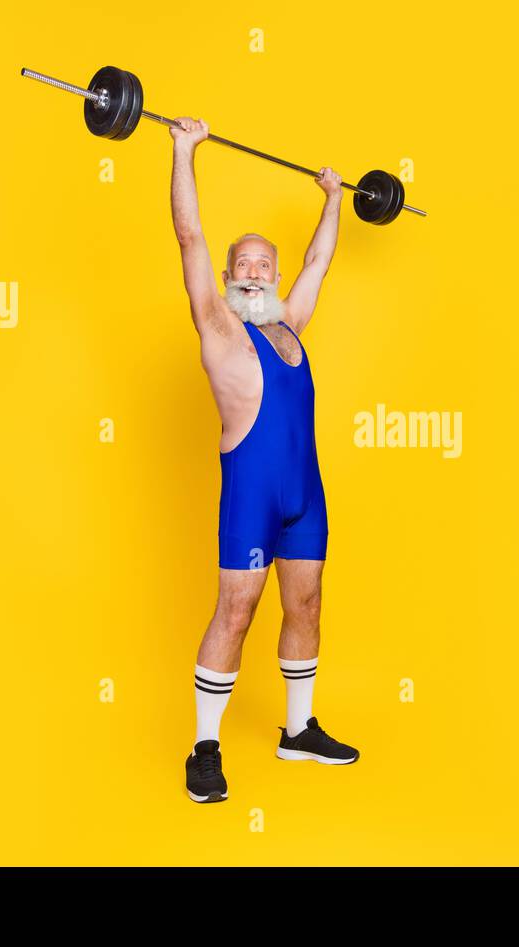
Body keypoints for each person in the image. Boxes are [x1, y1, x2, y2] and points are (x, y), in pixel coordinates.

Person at [168, 116, 360, 804]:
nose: (253, 271)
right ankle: (206, 746)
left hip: (305, 496)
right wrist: (184, 150)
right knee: (236, 613)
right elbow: (189, 236)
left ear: (273, 278)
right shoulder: (219, 329)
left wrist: (334, 197)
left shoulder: (288, 325)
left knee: (306, 602)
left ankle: (298, 730)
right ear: (225, 277)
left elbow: (318, 264)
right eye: (241, 264)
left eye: (262, 265)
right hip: (251, 497)